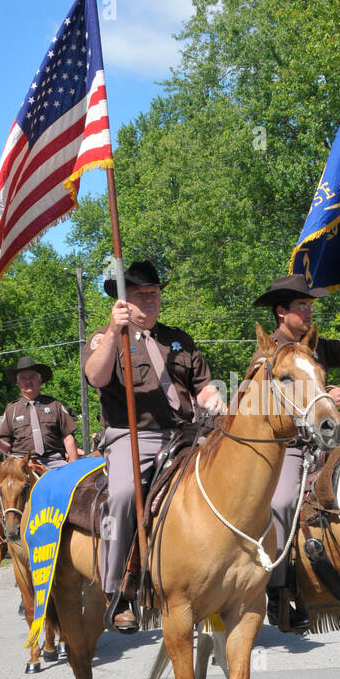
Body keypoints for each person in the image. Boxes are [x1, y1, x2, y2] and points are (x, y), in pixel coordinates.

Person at [83, 259, 227, 631]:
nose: (150, 301)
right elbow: (96, 377)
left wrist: (216, 400)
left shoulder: (178, 339)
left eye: (154, 294)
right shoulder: (104, 339)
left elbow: (203, 386)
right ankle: (120, 589)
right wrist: (115, 332)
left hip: (186, 433)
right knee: (124, 494)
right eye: (141, 296)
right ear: (123, 301)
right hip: (133, 436)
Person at [248, 270, 340, 631]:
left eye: (309, 306)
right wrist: (328, 398)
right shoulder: (268, 355)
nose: (309, 312)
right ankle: (279, 591)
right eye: (302, 306)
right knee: (282, 502)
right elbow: (262, 407)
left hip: (328, 446)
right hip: (288, 448)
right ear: (281, 312)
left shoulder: (317, 346)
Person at [0, 355, 79, 562]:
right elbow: (6, 446)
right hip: (19, 463)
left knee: (78, 489)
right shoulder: (12, 409)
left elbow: (68, 436)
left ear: (39, 380)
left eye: (31, 377)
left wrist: (73, 465)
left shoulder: (54, 405)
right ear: (18, 383)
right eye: (23, 378)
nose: (28, 381)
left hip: (53, 460)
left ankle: (81, 539)